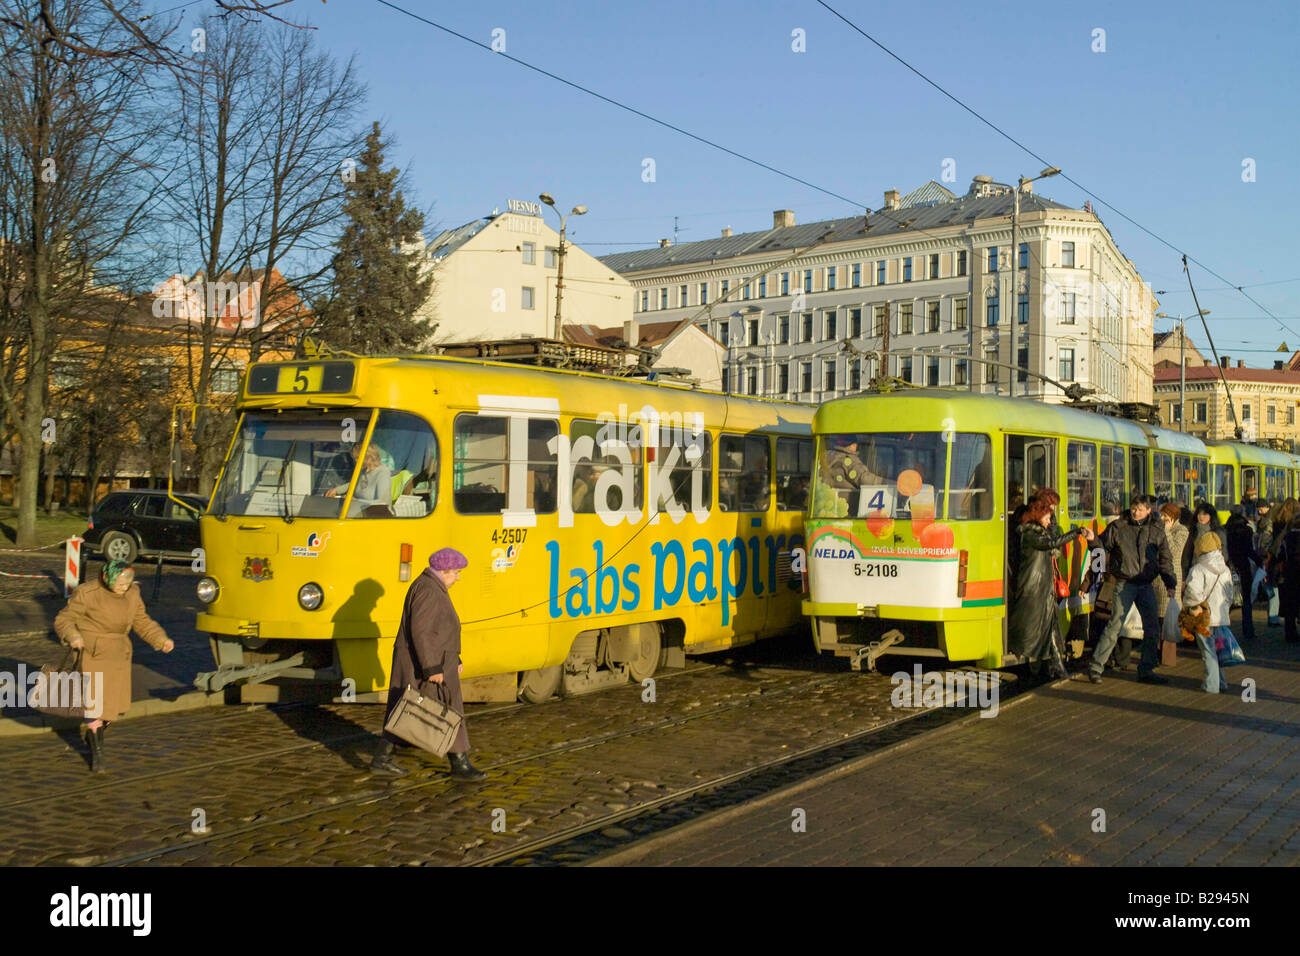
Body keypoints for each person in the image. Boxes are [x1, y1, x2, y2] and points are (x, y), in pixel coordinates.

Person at [373, 548, 486, 780]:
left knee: (407, 708)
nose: (458, 577)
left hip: (436, 660)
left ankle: (382, 758)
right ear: (444, 571)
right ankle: (460, 764)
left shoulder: (430, 586)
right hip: (427, 663)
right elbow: (422, 631)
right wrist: (432, 668)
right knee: (446, 707)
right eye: (456, 572)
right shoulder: (428, 590)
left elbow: (439, 631)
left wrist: (456, 658)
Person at [53, 560, 174, 772]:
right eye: (120, 583)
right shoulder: (87, 592)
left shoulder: (133, 593)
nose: (123, 587)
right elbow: (64, 619)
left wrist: (160, 639)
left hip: (118, 655)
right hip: (92, 653)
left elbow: (141, 621)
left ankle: (94, 734)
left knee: (111, 708)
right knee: (94, 703)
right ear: (108, 577)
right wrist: (73, 635)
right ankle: (97, 752)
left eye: (127, 583)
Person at [1086, 494, 1177, 685]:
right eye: (1134, 508)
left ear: (1148, 510)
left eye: (1141, 509)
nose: (1136, 512)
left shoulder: (1156, 530)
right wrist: (1093, 539)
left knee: (1152, 628)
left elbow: (1165, 559)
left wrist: (1170, 582)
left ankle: (1146, 669)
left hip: (1145, 584)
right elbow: (1102, 547)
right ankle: (1095, 667)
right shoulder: (1119, 527)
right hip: (1124, 583)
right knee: (1114, 625)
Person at [1008, 494, 1089, 679]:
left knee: (1050, 626)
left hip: (1044, 587)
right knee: (1035, 629)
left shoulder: (1038, 531)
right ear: (1037, 516)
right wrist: (1075, 533)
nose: (1049, 520)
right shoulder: (1028, 533)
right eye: (1046, 517)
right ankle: (1042, 666)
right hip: (1033, 588)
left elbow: (1051, 546)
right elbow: (1050, 544)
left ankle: (1055, 666)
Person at [1180, 532, 1234, 694]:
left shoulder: (1198, 569)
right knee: (1217, 650)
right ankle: (1221, 682)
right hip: (1220, 617)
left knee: (1208, 652)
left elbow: (1193, 593)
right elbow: (1229, 594)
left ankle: (1211, 685)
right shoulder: (1225, 569)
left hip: (1203, 618)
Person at [326, 444, 392, 514]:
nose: (355, 461)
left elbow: (383, 502)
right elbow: (355, 484)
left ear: (369, 457)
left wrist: (357, 501)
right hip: (358, 511)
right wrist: (336, 490)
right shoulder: (364, 470)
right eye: (354, 458)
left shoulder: (382, 474)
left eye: (357, 458)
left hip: (375, 516)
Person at [1224, 506, 1257, 641]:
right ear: (1243, 514)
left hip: (1229, 567)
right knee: (1246, 600)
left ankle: (1223, 630)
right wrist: (1260, 562)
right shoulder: (1246, 530)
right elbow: (1249, 550)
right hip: (1243, 567)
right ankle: (1248, 630)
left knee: (1228, 601)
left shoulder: (1224, 529)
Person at [1156, 502, 1190, 620]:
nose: (1162, 518)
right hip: (1157, 578)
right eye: (1161, 515)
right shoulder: (1158, 528)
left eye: (1165, 516)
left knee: (1167, 615)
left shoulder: (1182, 531)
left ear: (1173, 517)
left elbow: (1174, 552)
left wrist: (1166, 530)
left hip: (1171, 575)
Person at [1276, 510, 1300, 644]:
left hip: (1290, 574)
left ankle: (1290, 633)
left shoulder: (1287, 537)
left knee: (1291, 604)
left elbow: (1280, 555)